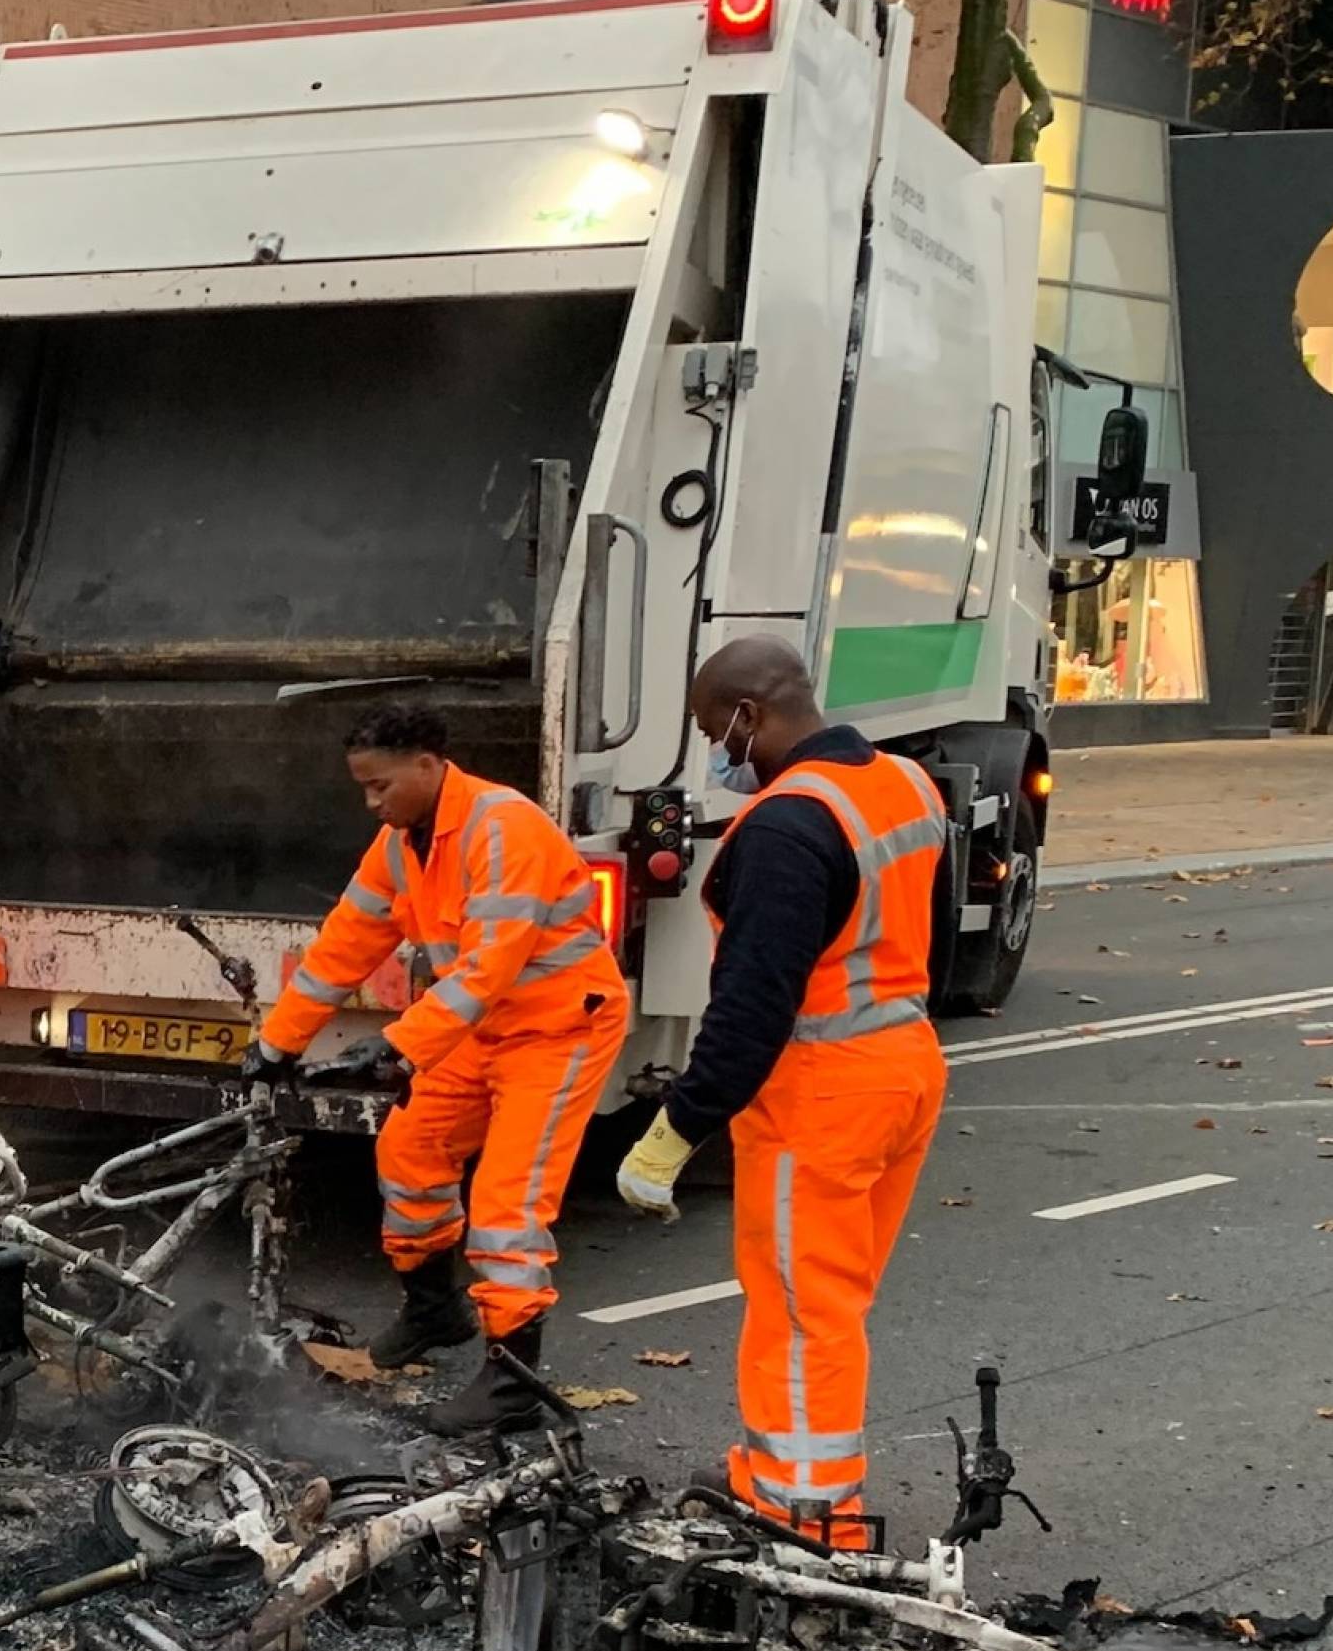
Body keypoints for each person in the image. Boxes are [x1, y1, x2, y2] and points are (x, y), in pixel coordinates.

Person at [614, 636, 950, 1550]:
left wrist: (675, 1129)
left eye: (710, 732)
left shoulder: (786, 826)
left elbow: (753, 1006)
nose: (714, 752)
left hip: (823, 1093)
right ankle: (775, 1480)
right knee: (832, 1302)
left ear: (748, 715)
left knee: (804, 1314)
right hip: (903, 1065)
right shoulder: (903, 785)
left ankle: (807, 1520)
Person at [241, 704, 629, 1433]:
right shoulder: (401, 844)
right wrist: (278, 1043)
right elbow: (345, 944)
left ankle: (513, 1383)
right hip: (478, 1027)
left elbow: (487, 968)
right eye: (363, 788)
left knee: (507, 1206)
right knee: (410, 1152)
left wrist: (398, 1043)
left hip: (559, 1028)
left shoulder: (502, 829)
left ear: (428, 766)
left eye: (380, 786)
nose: (371, 803)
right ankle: (435, 1312)